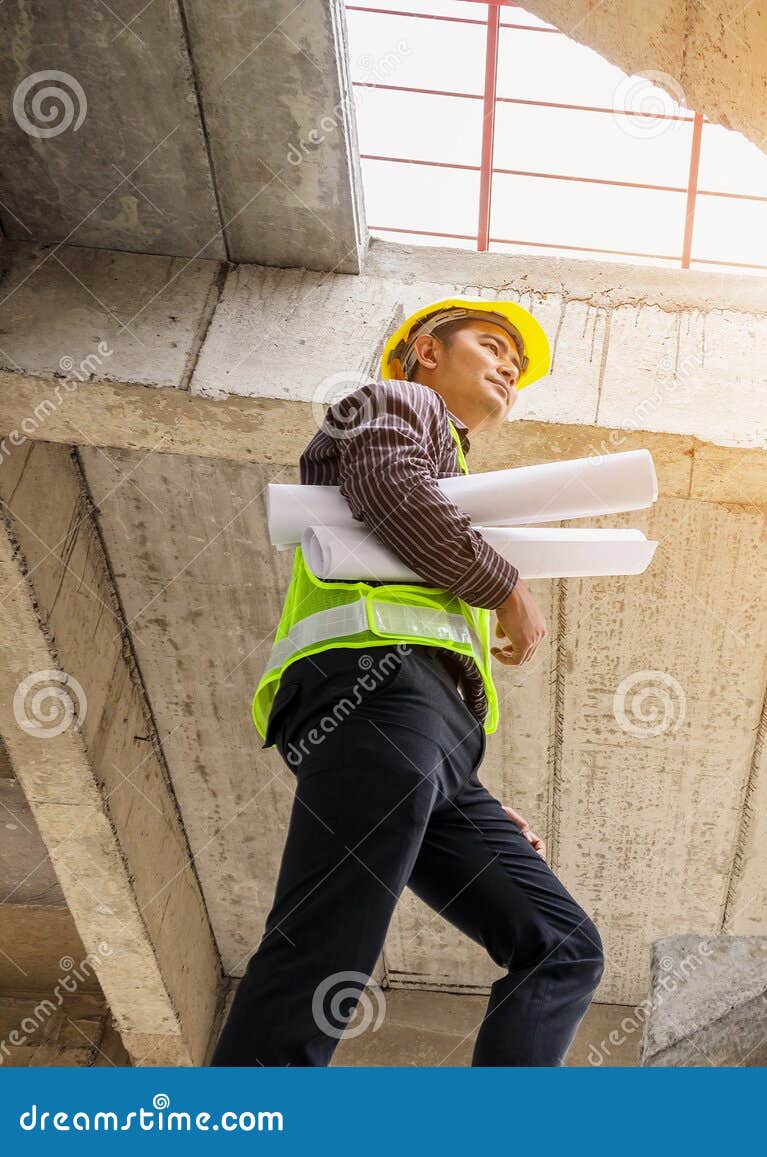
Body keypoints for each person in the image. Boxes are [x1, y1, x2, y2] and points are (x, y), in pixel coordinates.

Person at [211, 299, 603, 1066]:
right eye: (492, 347)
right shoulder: (395, 400)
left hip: (430, 741)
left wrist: (455, 781)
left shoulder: (456, 483)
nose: (508, 370)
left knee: (563, 945)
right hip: (377, 692)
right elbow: (392, 491)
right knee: (326, 942)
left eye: (516, 367)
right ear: (425, 351)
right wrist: (506, 589)